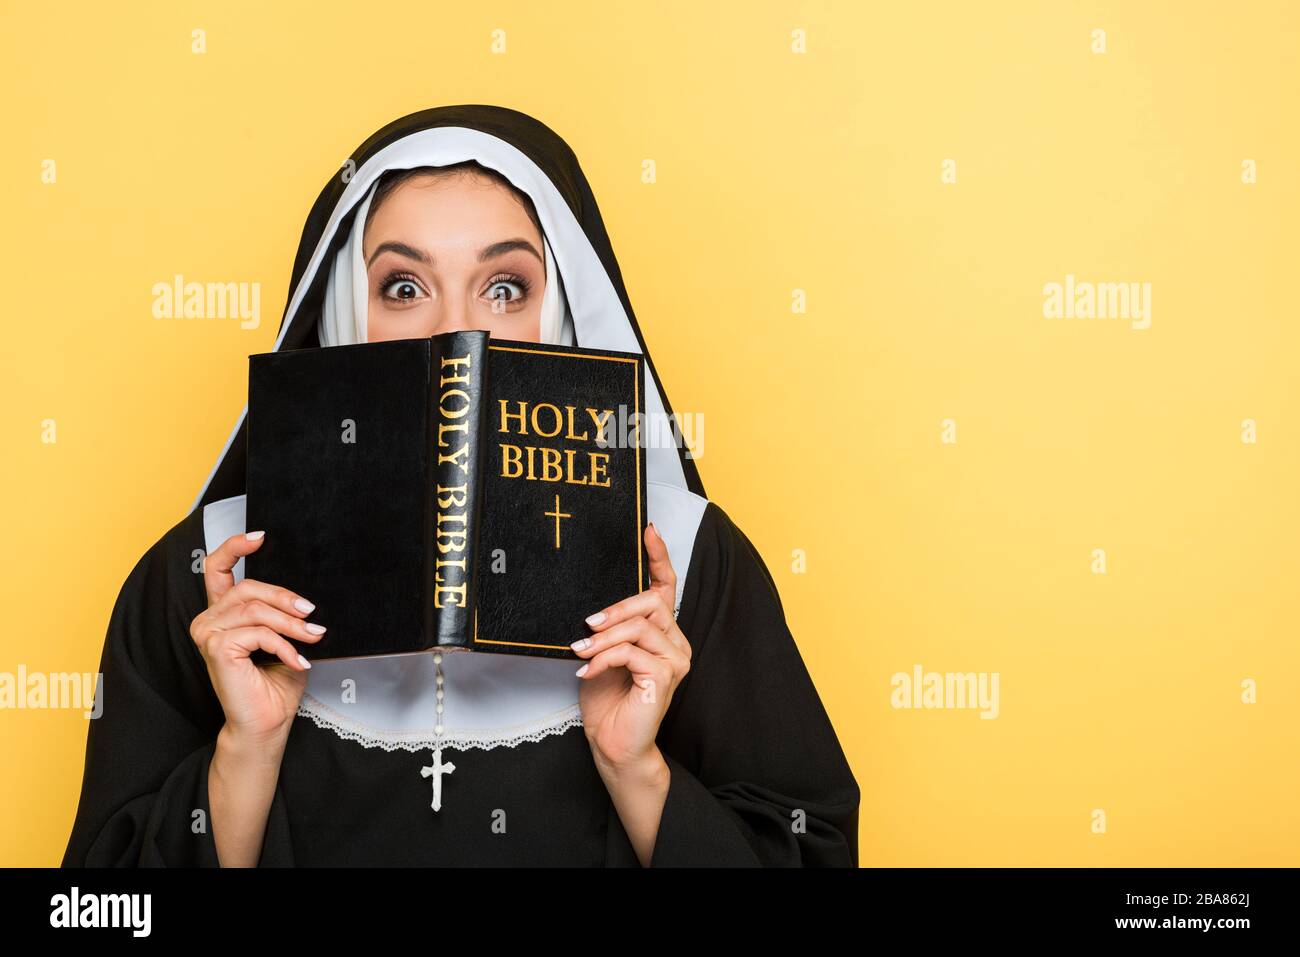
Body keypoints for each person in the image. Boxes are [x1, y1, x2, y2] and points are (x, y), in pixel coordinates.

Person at [61, 104, 860, 866]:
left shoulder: (684, 563)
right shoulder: (211, 578)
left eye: (505, 287)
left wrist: (636, 768)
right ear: (344, 309)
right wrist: (245, 751)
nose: (455, 334)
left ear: (564, 312)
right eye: (403, 287)